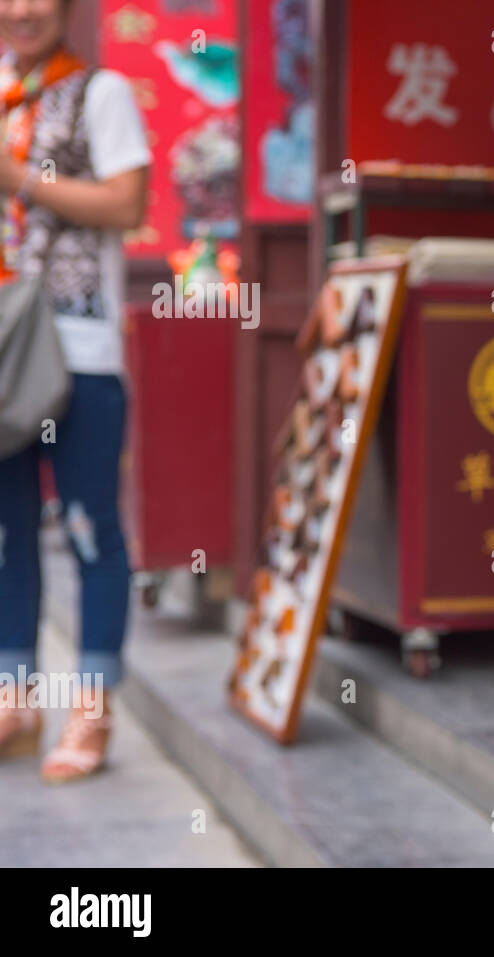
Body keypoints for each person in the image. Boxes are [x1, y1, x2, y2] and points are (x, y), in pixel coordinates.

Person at [0, 0, 151, 783]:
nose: (22, 10)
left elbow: (129, 204)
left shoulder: (101, 92)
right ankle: (13, 696)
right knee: (5, 532)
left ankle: (91, 705)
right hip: (1, 353)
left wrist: (20, 177)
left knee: (92, 528)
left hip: (77, 346)